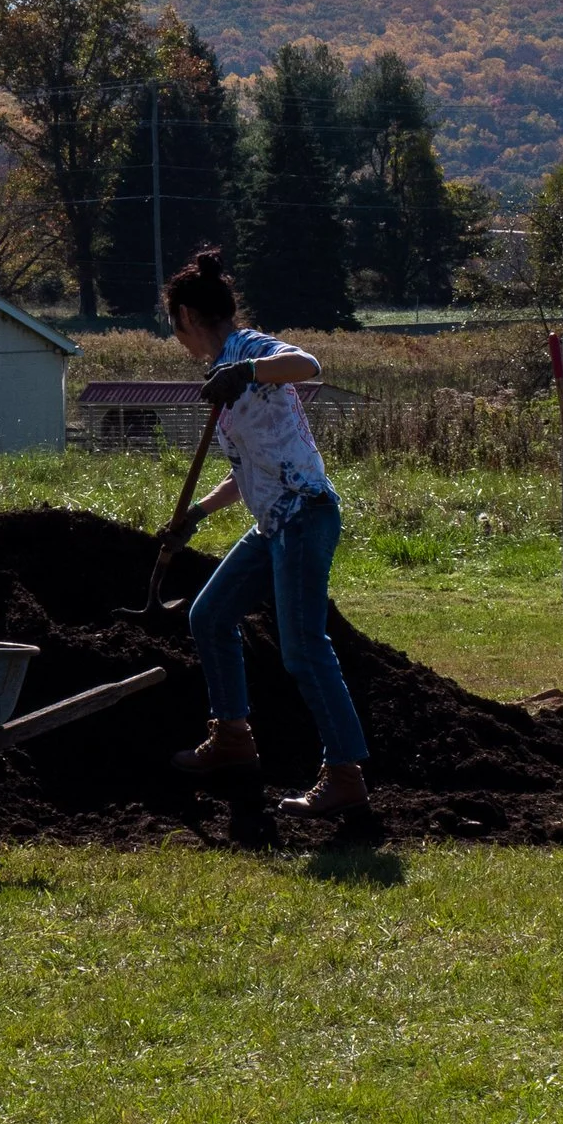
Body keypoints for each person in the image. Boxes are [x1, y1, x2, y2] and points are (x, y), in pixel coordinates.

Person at [159, 250, 371, 817]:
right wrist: (196, 516)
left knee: (302, 648)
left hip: (305, 512)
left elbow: (309, 365)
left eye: (174, 325)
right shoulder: (224, 373)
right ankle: (232, 738)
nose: (176, 337)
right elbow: (246, 470)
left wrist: (246, 370)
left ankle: (345, 774)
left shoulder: (251, 351)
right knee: (209, 615)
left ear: (189, 317)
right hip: (273, 522)